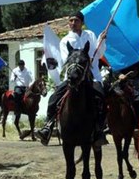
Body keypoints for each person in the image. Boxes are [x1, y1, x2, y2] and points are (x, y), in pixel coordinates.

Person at [38, 11, 107, 144]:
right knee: (53, 99)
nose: (73, 23)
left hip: (91, 77)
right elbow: (66, 59)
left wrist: (101, 41)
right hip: (73, 78)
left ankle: (99, 129)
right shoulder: (65, 41)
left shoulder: (91, 35)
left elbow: (98, 54)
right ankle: (48, 125)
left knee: (101, 98)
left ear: (82, 23)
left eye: (76, 21)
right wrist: (82, 58)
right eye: (71, 21)